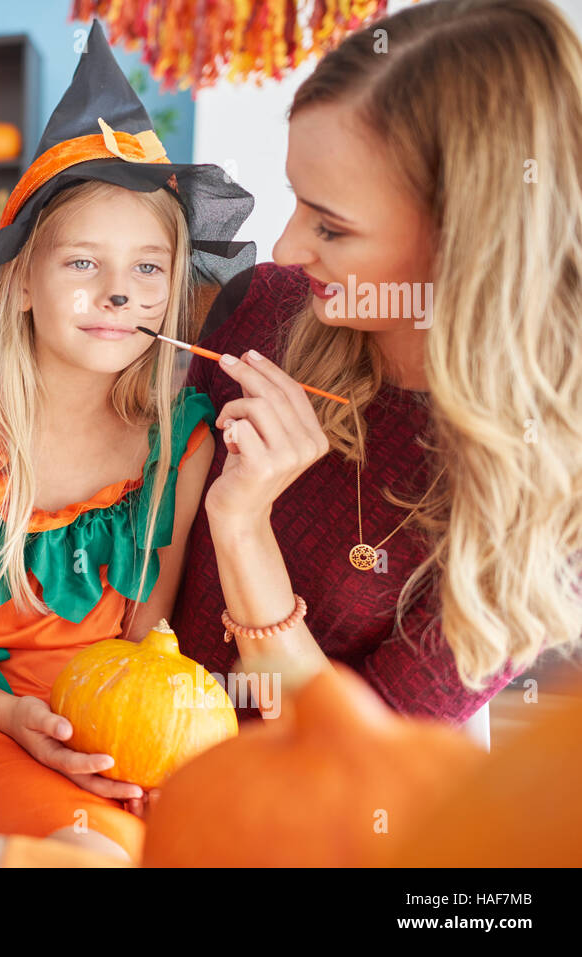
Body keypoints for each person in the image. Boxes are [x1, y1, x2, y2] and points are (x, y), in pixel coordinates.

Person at [0, 21, 254, 860]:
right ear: (24, 282)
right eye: (83, 264)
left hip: (110, 719)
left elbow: (145, 628)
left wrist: (136, 748)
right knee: (98, 853)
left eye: (148, 268)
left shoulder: (180, 440)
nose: (119, 293)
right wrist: (16, 718)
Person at [172, 0, 582, 724]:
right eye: (298, 201)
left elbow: (362, 747)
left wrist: (242, 523)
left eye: (332, 225)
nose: (286, 249)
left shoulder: (545, 497)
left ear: (467, 245)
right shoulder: (262, 312)